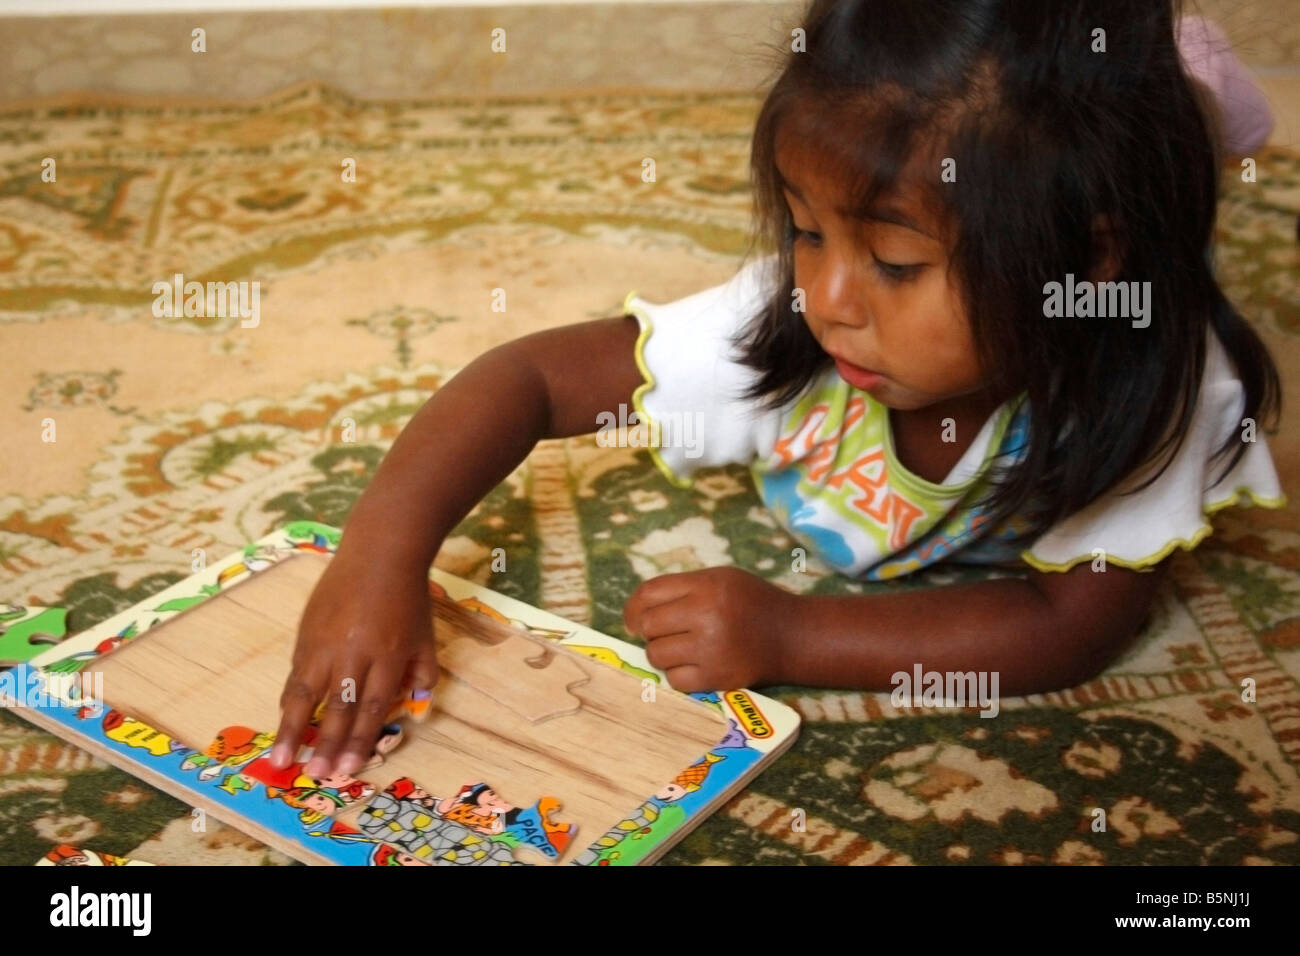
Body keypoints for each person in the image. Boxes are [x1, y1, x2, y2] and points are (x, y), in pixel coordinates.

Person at [272, 0, 1285, 778]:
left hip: (1113, 269)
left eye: (893, 262)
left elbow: (1071, 623)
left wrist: (794, 631)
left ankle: (1194, 106)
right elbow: (529, 377)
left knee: (1163, 154)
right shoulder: (790, 323)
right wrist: (377, 556)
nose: (830, 296)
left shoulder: (1164, 390)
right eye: (806, 228)